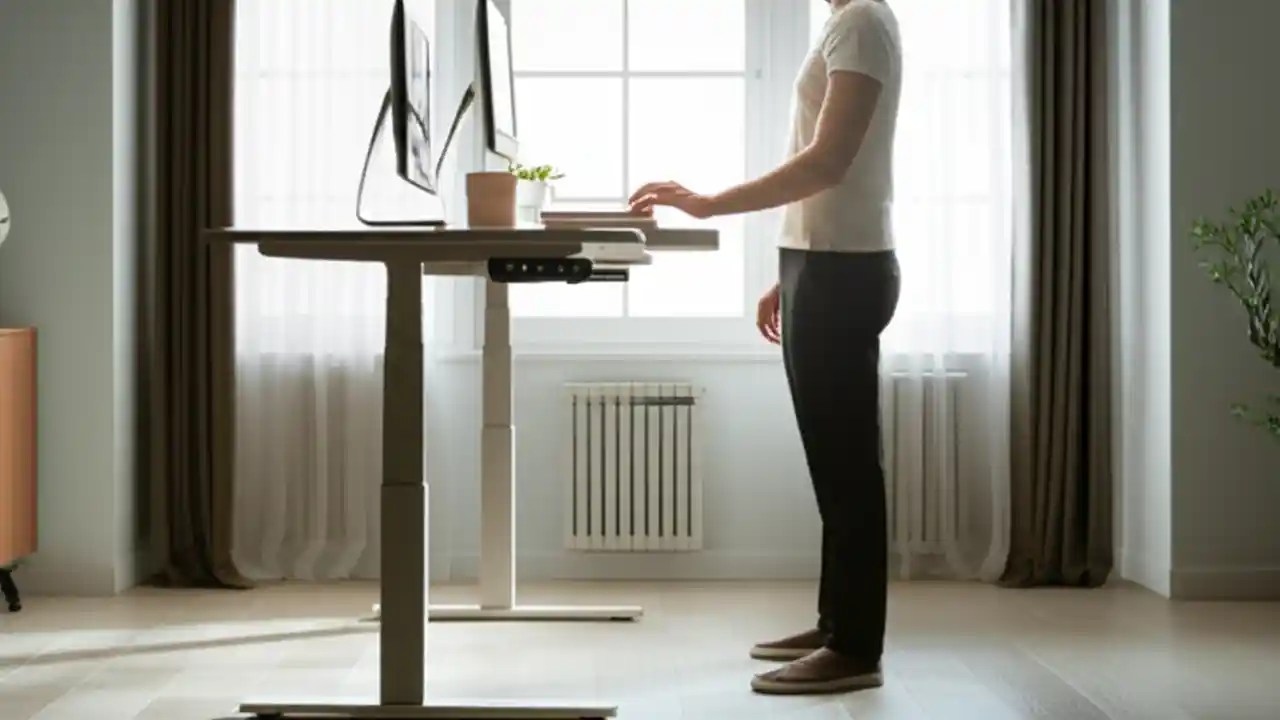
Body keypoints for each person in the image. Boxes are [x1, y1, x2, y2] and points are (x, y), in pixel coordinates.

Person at [629, 0, 903, 696]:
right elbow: (819, 161)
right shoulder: (851, 21)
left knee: (846, 469)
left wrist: (709, 201)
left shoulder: (864, 19)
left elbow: (829, 160)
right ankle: (837, 622)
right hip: (822, 266)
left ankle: (855, 647)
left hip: (843, 271)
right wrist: (788, 269)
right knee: (832, 465)